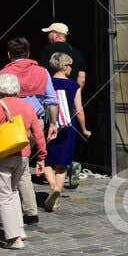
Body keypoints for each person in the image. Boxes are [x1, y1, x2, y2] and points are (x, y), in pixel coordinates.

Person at [0, 72, 47, 250]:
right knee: (13, 191)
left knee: (4, 196)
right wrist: (41, 157)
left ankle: (13, 237)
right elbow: (38, 134)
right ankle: (20, 229)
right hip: (22, 155)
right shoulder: (27, 106)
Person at [38, 53, 90, 211]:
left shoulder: (45, 83)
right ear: (65, 67)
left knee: (46, 161)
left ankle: (53, 188)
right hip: (68, 127)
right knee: (62, 165)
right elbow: (79, 110)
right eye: (70, 66)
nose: (71, 69)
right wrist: (84, 129)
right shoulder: (74, 86)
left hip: (48, 126)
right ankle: (55, 194)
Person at [38, 23, 87, 101]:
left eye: (49, 33)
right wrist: (75, 95)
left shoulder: (45, 51)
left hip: (50, 97)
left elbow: (41, 75)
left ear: (56, 35)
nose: (47, 36)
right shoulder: (77, 53)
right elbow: (82, 78)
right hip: (70, 96)